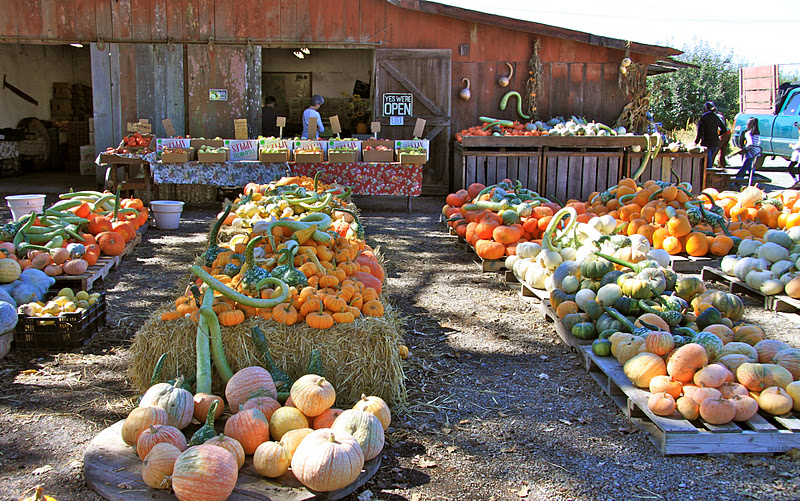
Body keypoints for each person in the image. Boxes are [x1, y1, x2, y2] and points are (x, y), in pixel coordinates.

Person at [694, 101, 728, 169]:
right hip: (715, 142)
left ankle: (707, 177)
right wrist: (717, 135)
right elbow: (724, 129)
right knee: (710, 160)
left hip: (707, 143)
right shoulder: (716, 117)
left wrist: (696, 141)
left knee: (707, 164)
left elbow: (700, 131)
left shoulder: (704, 118)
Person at [734, 117, 763, 183]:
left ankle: (738, 179)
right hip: (756, 151)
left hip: (750, 151)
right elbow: (759, 142)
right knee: (749, 165)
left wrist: (745, 149)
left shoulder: (748, 133)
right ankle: (752, 178)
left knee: (746, 165)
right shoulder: (757, 133)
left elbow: (750, 143)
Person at [789, 124, 800, 188]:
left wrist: (792, 146)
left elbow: (798, 146)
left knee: (791, 167)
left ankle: (797, 182)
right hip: (797, 155)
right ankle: (797, 181)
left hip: (798, 155)